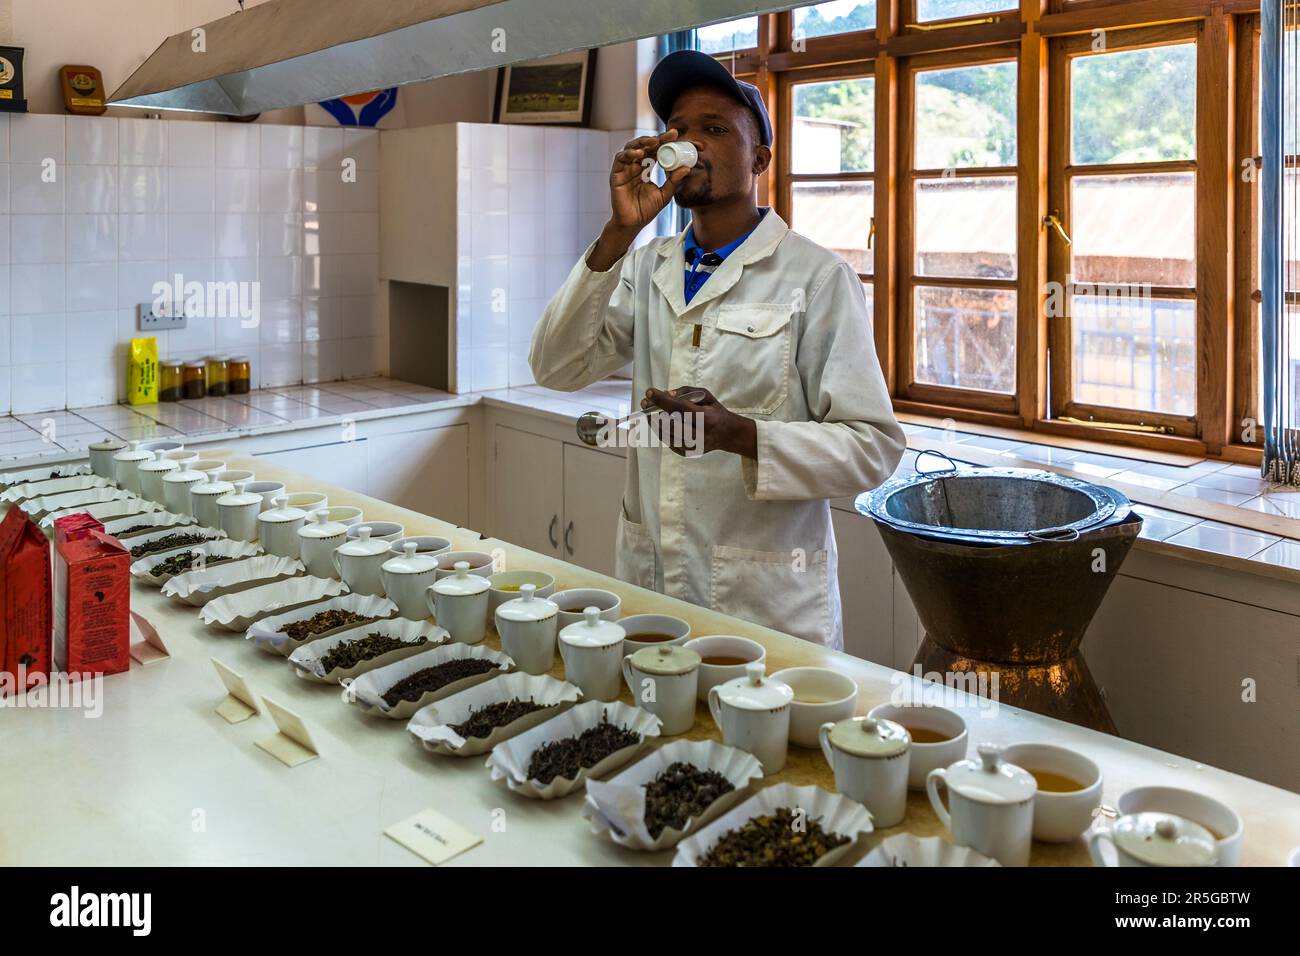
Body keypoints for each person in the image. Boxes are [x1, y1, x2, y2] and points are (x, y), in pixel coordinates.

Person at [529, 49, 904, 649]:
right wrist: (618, 233)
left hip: (765, 603)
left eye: (715, 128)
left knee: (760, 738)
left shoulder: (817, 279)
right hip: (652, 587)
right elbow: (555, 365)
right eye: (678, 129)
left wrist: (739, 435)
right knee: (656, 733)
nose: (691, 143)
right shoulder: (646, 264)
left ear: (760, 158)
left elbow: (873, 449)